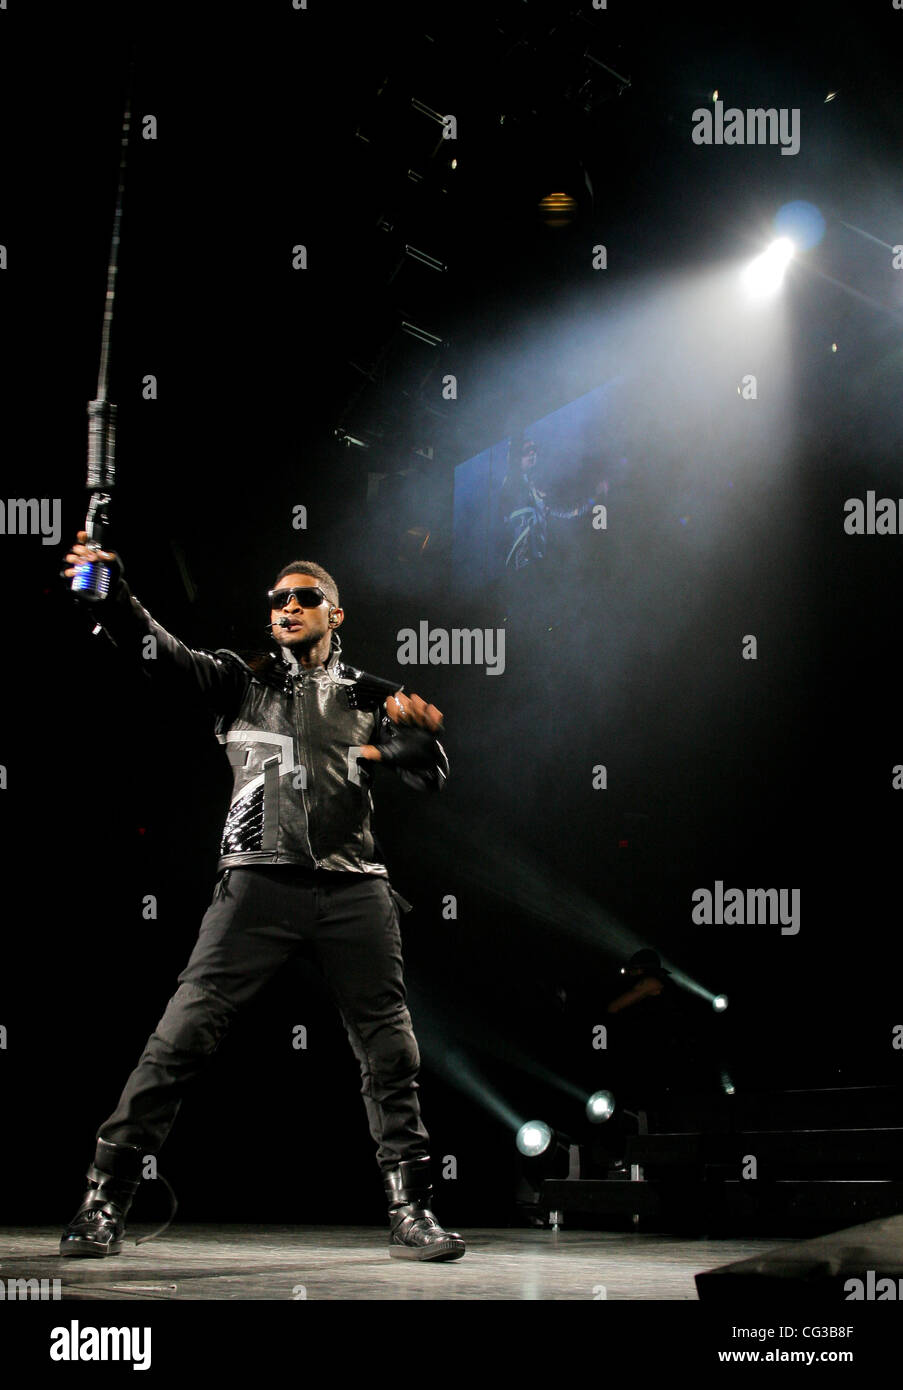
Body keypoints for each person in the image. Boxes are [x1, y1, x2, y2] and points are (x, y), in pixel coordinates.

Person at [58, 531, 465, 1263]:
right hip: (256, 883)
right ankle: (101, 1200)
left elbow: (429, 771)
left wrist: (422, 751)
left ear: (335, 614)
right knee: (179, 1037)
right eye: (276, 599)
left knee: (390, 1048)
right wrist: (114, 596)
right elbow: (160, 651)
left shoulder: (372, 695)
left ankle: (413, 1210)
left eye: (304, 597)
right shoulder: (237, 679)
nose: (286, 607)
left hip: (354, 889)